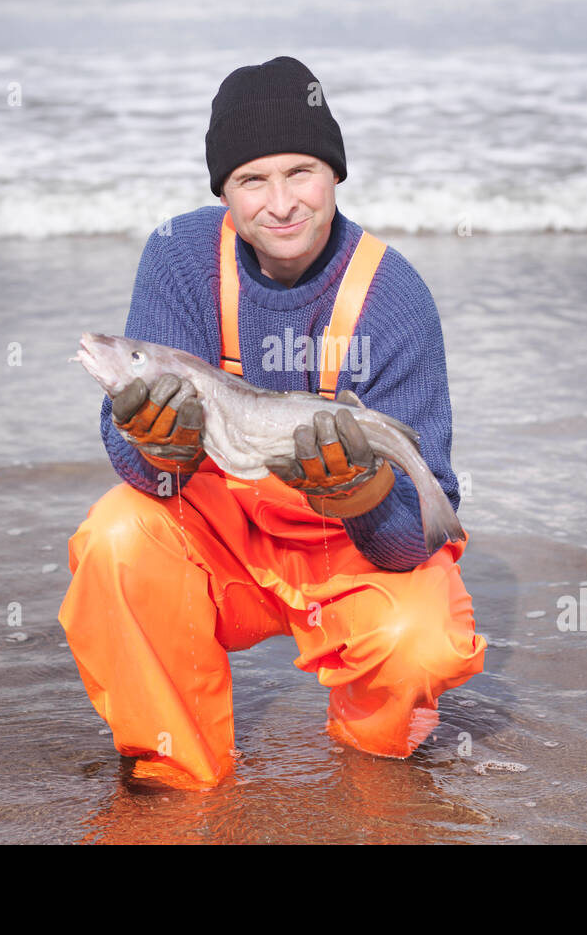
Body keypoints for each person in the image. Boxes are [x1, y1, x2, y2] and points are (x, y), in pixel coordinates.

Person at [58, 56, 486, 790]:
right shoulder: (179, 257)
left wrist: (357, 489)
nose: (282, 202)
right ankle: (176, 771)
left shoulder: (394, 296)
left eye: (302, 172)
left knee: (420, 635)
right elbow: (140, 476)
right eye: (253, 180)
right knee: (114, 537)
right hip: (219, 546)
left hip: (346, 555)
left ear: (337, 176)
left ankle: (375, 761)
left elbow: (412, 536)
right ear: (223, 190)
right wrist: (155, 446)